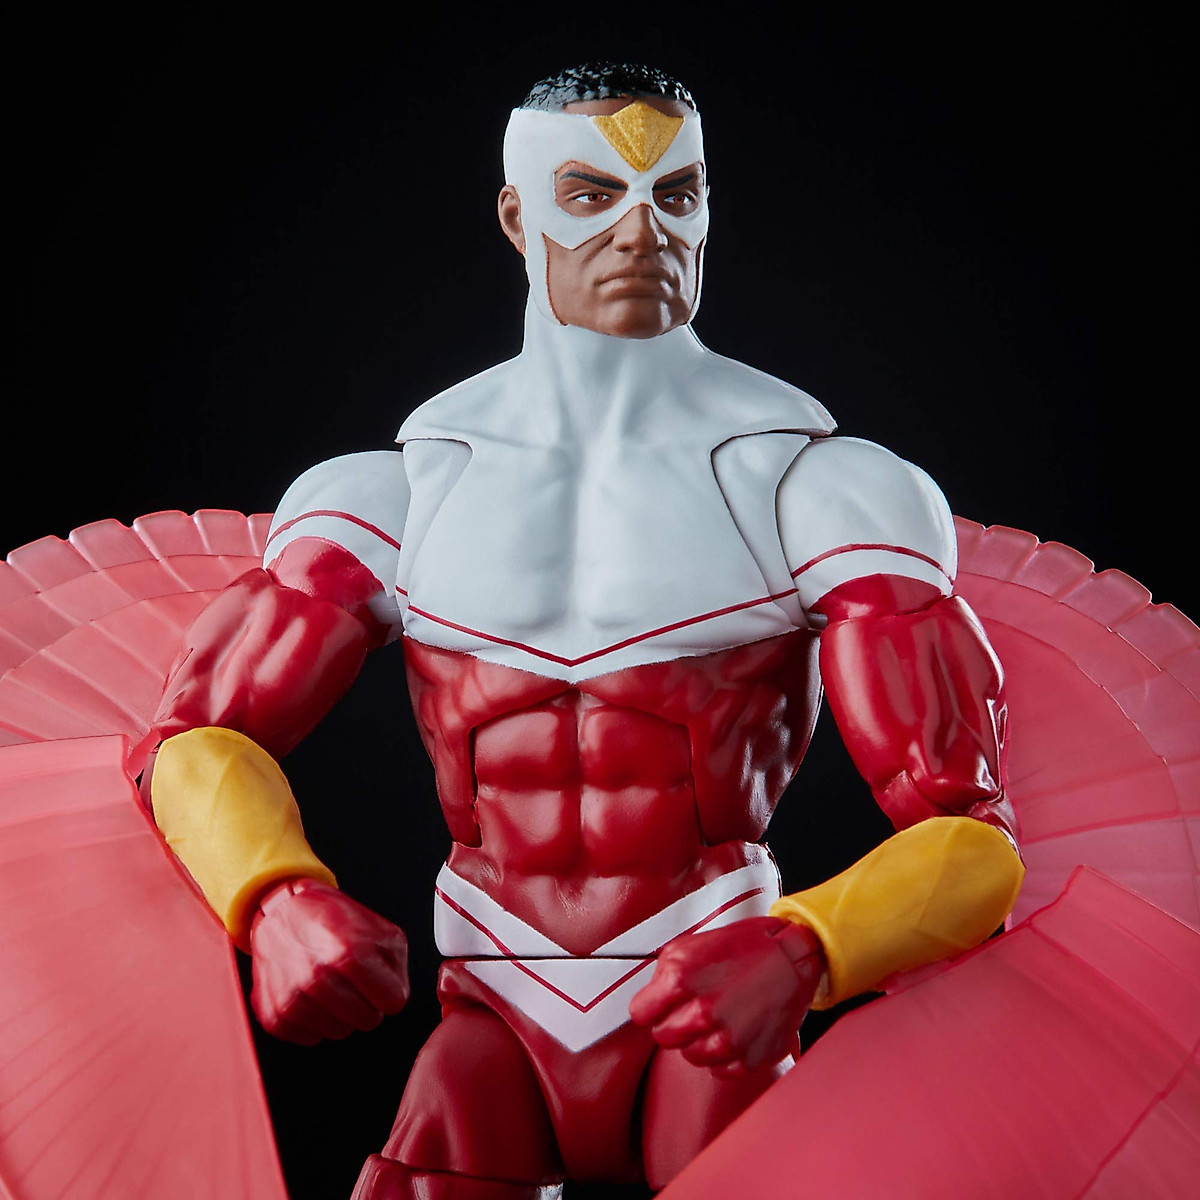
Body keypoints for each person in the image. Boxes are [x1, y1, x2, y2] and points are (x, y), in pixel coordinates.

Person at [146, 63, 1024, 1198]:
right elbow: (197, 740)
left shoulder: (817, 489)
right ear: (520, 217)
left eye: (675, 195)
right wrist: (274, 899)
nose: (641, 231)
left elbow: (974, 837)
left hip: (710, 994)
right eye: (593, 194)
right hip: (490, 1005)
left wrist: (809, 947)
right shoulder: (402, 489)